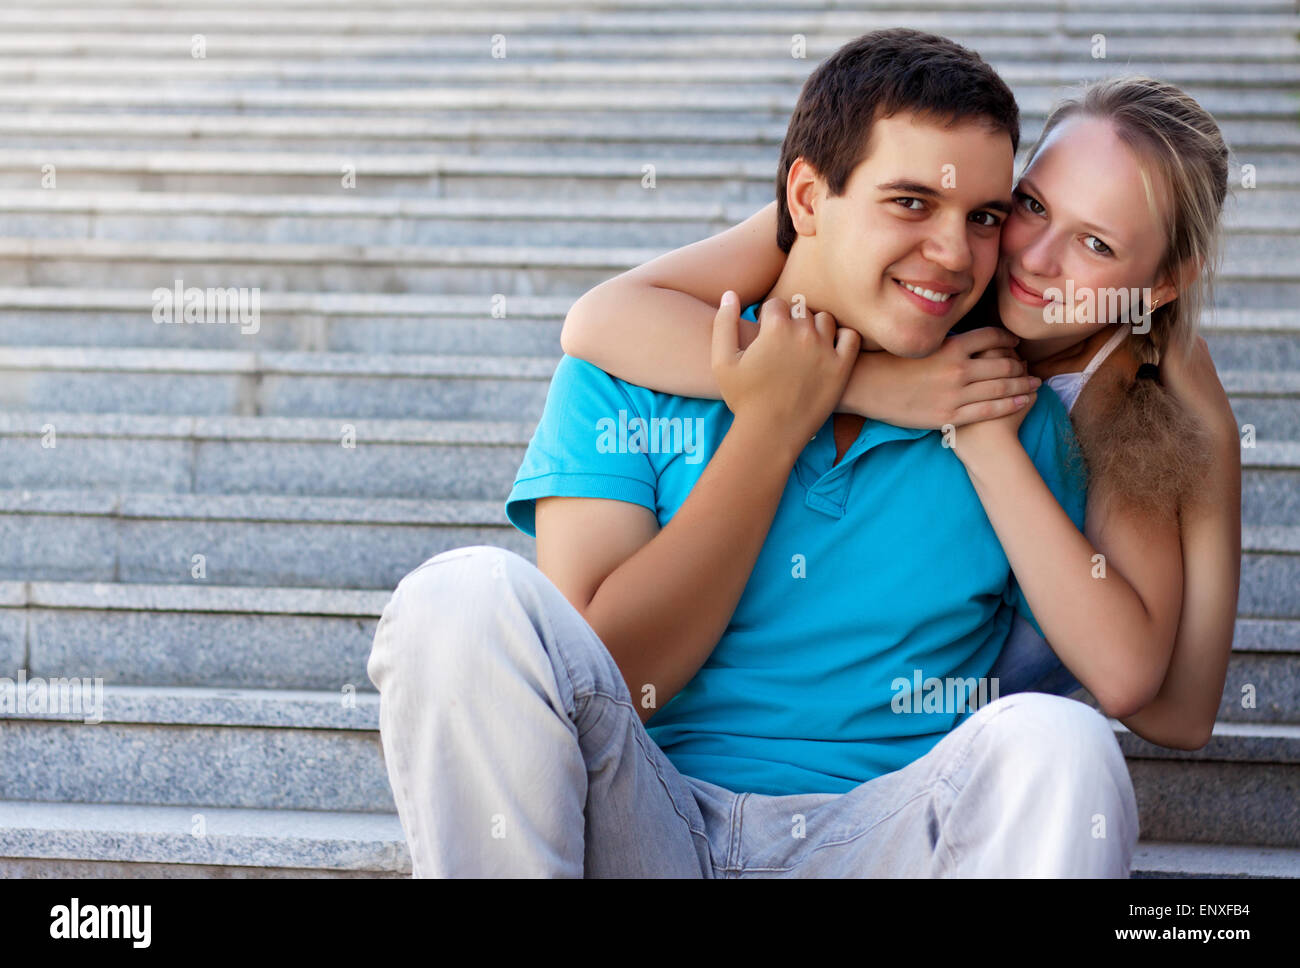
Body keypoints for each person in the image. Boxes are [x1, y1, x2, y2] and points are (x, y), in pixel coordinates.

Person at [367, 29, 1139, 877]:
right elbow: (618, 670)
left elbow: (1128, 679)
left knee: (1062, 739)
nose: (956, 255)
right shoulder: (628, 380)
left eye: (984, 217)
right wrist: (773, 424)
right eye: (911, 203)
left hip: (880, 834)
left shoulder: (1011, 416)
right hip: (646, 822)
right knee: (460, 596)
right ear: (807, 199)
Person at [561, 74, 1243, 752]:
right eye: (1030, 207)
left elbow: (1171, 713)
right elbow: (601, 319)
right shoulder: (926, 251)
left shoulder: (1121, 401)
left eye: (1096, 245)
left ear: (1162, 285)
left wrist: (1217, 444)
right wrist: (869, 384)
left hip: (943, 747)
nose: (1033, 260)